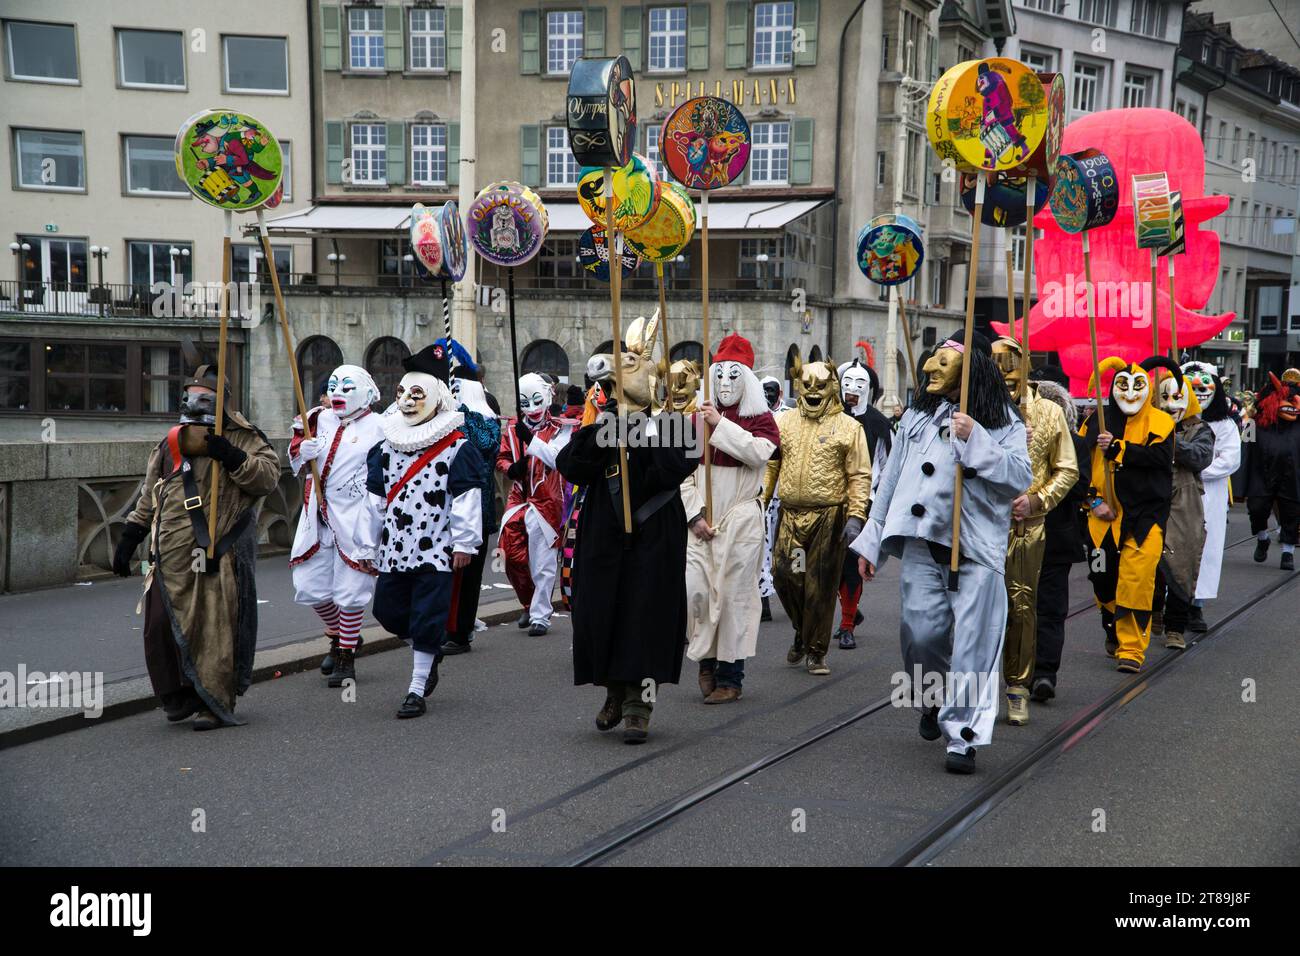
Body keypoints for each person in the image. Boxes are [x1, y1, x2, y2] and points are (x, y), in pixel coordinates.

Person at [852, 330, 1030, 773]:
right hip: (922, 544)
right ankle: (931, 698)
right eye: (930, 360)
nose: (930, 368)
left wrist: (977, 442)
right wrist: (872, 541)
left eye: (943, 361)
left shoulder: (1004, 422)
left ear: (970, 371)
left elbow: (1017, 478)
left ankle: (963, 737)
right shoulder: (915, 417)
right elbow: (891, 479)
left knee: (974, 645)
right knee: (921, 634)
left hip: (974, 551)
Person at [113, 363, 279, 729]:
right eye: (190, 396)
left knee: (212, 628)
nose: (195, 402)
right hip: (170, 550)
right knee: (160, 624)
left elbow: (267, 477)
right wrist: (132, 534)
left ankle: (213, 702)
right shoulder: (171, 442)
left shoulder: (245, 437)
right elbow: (152, 491)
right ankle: (178, 694)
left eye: (205, 398)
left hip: (216, 551)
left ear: (223, 403)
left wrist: (232, 456)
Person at [556, 317, 697, 744]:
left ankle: (639, 704)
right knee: (601, 608)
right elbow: (571, 466)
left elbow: (677, 467)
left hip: (655, 530)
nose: (619, 369)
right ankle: (613, 690)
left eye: (631, 362)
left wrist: (637, 432)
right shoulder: (601, 420)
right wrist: (606, 431)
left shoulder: (670, 421)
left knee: (646, 611)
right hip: (605, 526)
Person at [366, 343, 486, 718]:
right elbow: (374, 501)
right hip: (394, 549)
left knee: (428, 615)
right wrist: (368, 547)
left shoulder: (457, 446)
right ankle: (427, 652)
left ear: (435, 398)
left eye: (416, 394)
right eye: (401, 393)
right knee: (387, 611)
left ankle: (416, 688)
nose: (406, 401)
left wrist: (465, 542)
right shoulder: (386, 448)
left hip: (437, 549)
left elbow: (467, 497)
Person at [683, 334, 780, 703]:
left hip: (741, 518)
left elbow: (759, 454)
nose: (724, 384)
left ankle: (730, 676)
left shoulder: (761, 419)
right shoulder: (694, 421)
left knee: (734, 596)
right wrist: (694, 515)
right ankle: (705, 659)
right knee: (697, 591)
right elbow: (683, 474)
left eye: (733, 375)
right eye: (718, 375)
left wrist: (720, 425)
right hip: (703, 518)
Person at [764, 352, 871, 677]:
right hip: (792, 516)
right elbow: (772, 462)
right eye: (806, 384)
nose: (812, 391)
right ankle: (802, 630)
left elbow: (859, 475)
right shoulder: (784, 422)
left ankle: (816, 651)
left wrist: (856, 515)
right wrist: (761, 497)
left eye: (820, 385)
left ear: (832, 387)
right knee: (786, 575)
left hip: (829, 518)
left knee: (820, 585)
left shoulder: (849, 427)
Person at [990, 337, 1078, 726]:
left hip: (1028, 526)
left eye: (1010, 364)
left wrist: (1037, 500)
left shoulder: (1048, 412)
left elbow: (1067, 469)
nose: (1004, 371)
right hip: (980, 524)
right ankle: (975, 688)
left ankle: (1018, 686)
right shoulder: (974, 409)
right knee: (977, 609)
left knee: (1023, 606)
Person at [289, 364, 385, 687]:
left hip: (356, 518)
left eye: (346, 387)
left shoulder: (381, 427)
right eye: (334, 387)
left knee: (351, 588)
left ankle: (346, 655)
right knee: (309, 584)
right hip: (316, 514)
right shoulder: (316, 418)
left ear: (366, 391)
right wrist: (302, 451)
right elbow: (293, 455)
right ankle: (340, 635)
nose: (337, 393)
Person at [1080, 357, 1177, 673]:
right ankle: (1112, 622)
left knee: (1135, 581)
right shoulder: (1097, 420)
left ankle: (1132, 650)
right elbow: (1078, 465)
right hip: (1101, 518)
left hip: (1144, 518)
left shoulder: (1161, 423)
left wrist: (1119, 448)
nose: (1131, 393)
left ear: (1147, 390)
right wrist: (1093, 502)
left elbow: (1160, 458)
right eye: (1124, 386)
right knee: (1102, 579)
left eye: (1138, 387)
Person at [1027, 376, 1090, 702]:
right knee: (1020, 608)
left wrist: (1046, 488)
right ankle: (1021, 670)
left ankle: (1045, 672)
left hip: (1055, 538)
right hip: (1019, 536)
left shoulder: (1077, 445)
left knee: (1050, 608)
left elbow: (1080, 488)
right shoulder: (1019, 436)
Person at [496, 372, 575, 636]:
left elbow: (557, 459)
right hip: (519, 498)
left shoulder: (563, 428)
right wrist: (511, 469)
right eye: (524, 403)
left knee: (542, 562)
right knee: (510, 554)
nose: (531, 409)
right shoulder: (512, 429)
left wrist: (531, 441)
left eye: (536, 401)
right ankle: (529, 603)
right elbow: (502, 458)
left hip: (548, 500)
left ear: (549, 396)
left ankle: (541, 615)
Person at [1150, 372, 1214, 650]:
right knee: (1147, 561)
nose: (1171, 403)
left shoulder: (1200, 428)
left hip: (1185, 505)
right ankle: (1152, 612)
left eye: (1177, 397)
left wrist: (1170, 442)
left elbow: (1201, 457)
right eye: (1164, 397)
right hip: (1151, 499)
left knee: (1182, 563)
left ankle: (1176, 626)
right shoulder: (1146, 424)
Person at [441, 368, 502, 654]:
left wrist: (461, 415)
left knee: (468, 576)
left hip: (478, 508)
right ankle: (446, 626)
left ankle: (460, 631)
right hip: (445, 509)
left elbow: (484, 446)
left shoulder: (485, 417)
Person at [834, 359, 893, 650]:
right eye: (848, 385)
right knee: (825, 565)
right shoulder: (830, 417)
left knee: (851, 566)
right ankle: (850, 611)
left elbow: (887, 467)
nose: (852, 391)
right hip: (829, 500)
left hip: (864, 503)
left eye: (859, 386)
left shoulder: (879, 424)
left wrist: (879, 506)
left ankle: (846, 626)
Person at [1181, 361, 1240, 628]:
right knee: (1175, 545)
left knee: (1207, 548)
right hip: (1178, 494)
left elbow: (1230, 460)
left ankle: (1197, 604)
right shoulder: (1173, 420)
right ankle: (1173, 603)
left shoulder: (1225, 425)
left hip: (1209, 496)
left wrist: (1196, 469)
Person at [1241, 373, 1300, 572]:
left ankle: (1287, 552)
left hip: (1291, 475)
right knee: (1256, 508)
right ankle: (1262, 538)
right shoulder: (1254, 422)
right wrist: (1241, 482)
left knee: (1291, 513)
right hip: (1262, 473)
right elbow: (1244, 448)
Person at [757, 375, 790, 622]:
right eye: (763, 391)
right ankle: (763, 600)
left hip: (788, 492)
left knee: (791, 550)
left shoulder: (791, 416)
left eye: (771, 391)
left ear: (779, 393)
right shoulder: (755, 415)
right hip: (764, 493)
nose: (767, 395)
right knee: (762, 546)